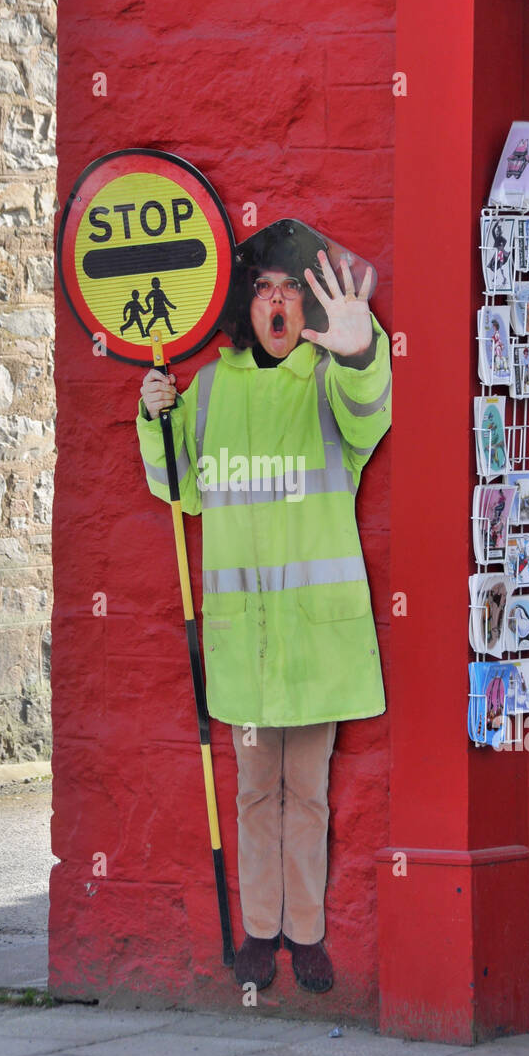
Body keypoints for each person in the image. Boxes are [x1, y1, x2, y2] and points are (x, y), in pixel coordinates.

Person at [136, 219, 391, 994]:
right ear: (246, 307)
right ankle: (259, 932)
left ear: (303, 306)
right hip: (244, 637)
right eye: (263, 290)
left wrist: (357, 351)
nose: (275, 304)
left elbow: (368, 413)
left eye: (287, 289)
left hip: (313, 641)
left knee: (307, 792)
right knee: (253, 793)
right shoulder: (209, 388)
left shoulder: (324, 377)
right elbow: (176, 485)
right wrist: (155, 417)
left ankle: (306, 936)